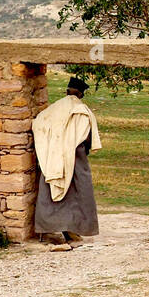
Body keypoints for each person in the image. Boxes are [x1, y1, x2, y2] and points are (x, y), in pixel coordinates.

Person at [32, 76, 101, 244]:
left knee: (51, 192)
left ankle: (52, 229)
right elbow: (86, 137)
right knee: (79, 193)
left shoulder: (52, 110)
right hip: (76, 159)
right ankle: (72, 229)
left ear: (67, 91)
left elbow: (38, 125)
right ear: (81, 94)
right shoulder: (83, 110)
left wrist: (51, 147)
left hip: (52, 158)